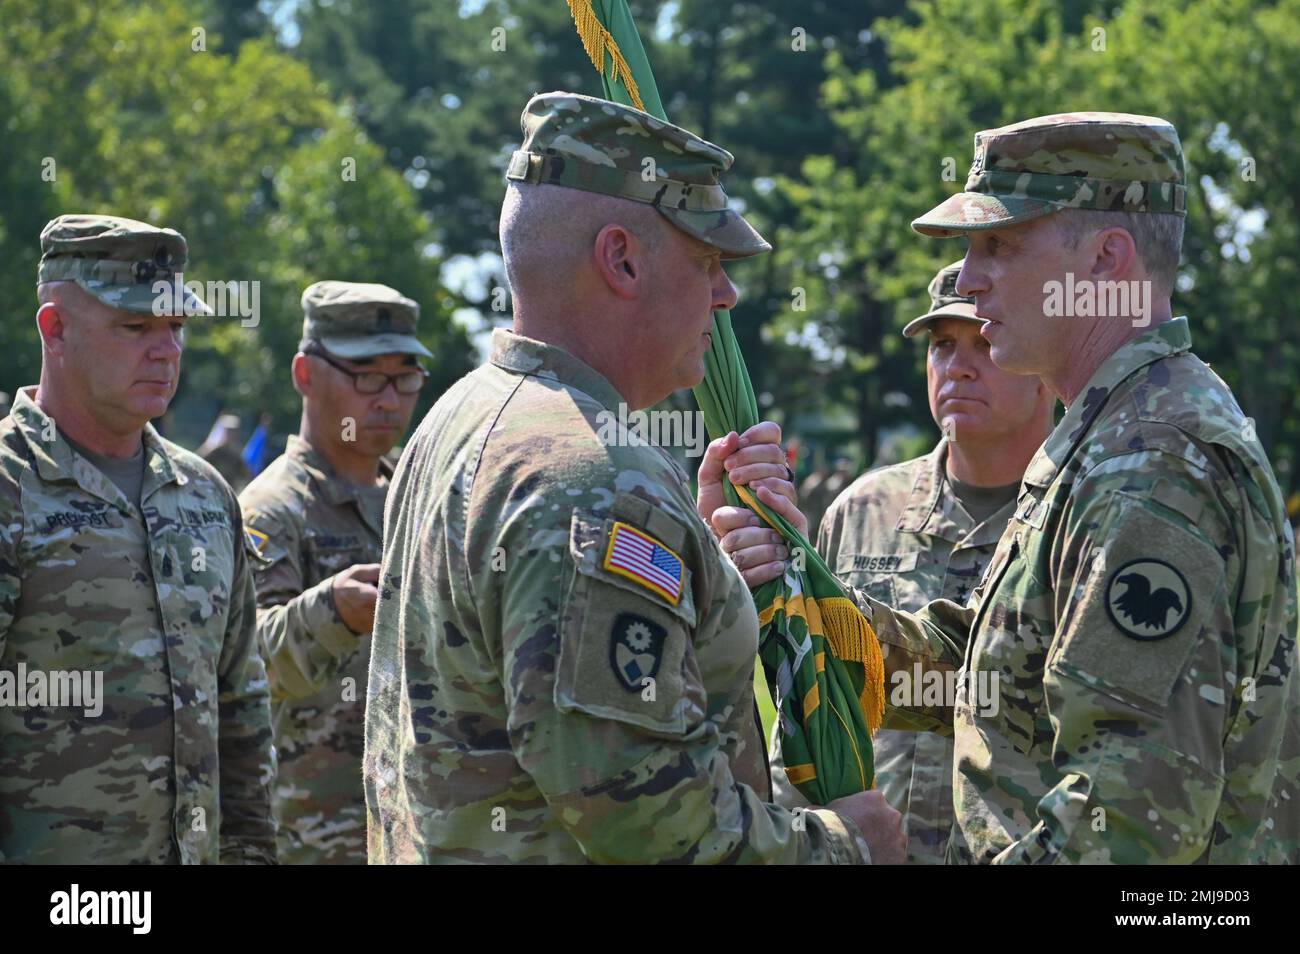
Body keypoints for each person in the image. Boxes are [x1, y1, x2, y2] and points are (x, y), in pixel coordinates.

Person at [712, 113, 1299, 863]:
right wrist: (798, 585)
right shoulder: (1110, 436)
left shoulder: (1154, 463)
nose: (970, 277)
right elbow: (997, 674)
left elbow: (1129, 824)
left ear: (1105, 263)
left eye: (999, 245)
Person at [363, 91, 904, 864]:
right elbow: (649, 823)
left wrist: (702, 563)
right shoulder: (599, 479)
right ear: (621, 259)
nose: (727, 296)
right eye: (708, 262)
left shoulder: (462, 417)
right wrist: (848, 847)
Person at [0, 213, 276, 863]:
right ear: (55, 328)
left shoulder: (205, 496)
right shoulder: (11, 486)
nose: (167, 350)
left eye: (176, 327)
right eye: (136, 326)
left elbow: (241, 712)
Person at [768, 259, 1055, 864]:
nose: (959, 366)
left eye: (984, 341)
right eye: (943, 345)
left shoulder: (1072, 517)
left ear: (1046, 368)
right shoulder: (863, 509)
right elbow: (806, 696)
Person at [239, 280, 428, 864]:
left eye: (405, 376)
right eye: (366, 375)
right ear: (305, 375)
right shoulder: (273, 509)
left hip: (408, 830)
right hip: (312, 838)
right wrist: (333, 612)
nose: (389, 399)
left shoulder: (414, 497)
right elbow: (248, 665)